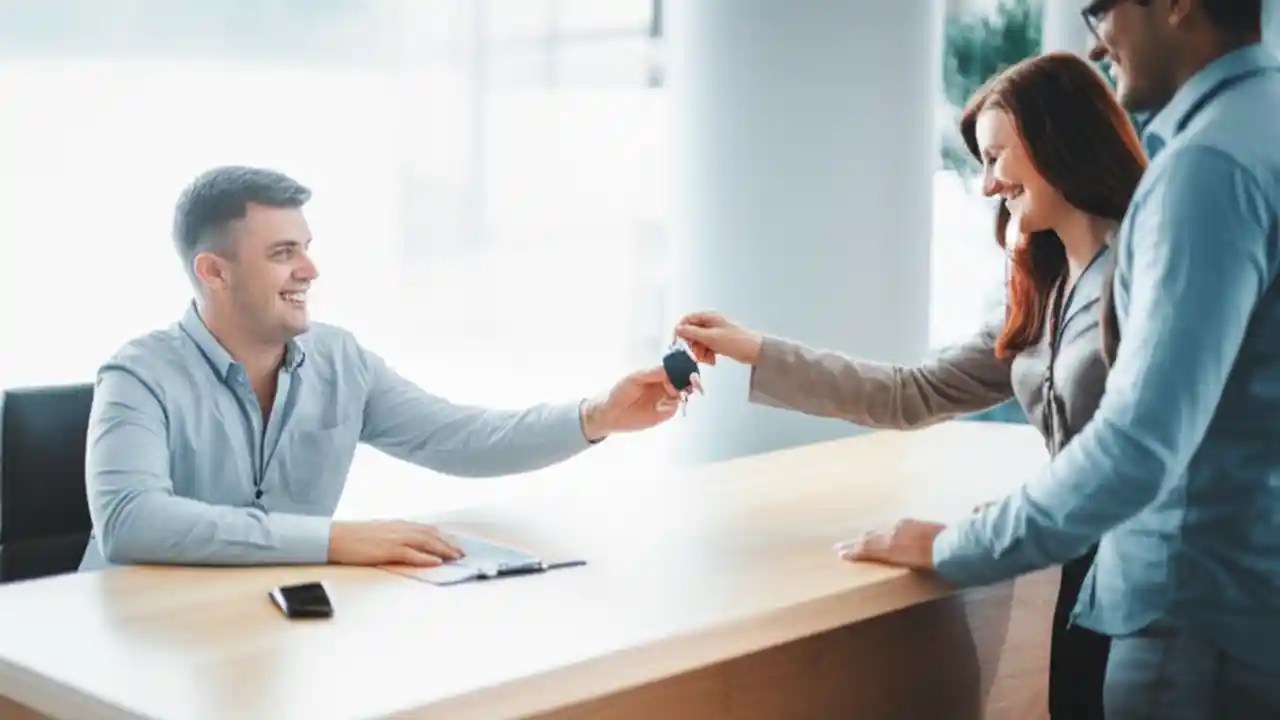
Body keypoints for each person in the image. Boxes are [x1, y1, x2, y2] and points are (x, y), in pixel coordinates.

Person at [836, 1, 1280, 717]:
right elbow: (916, 386)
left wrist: (960, 544)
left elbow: (1138, 443)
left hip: (1190, 624)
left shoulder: (1206, 167)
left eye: (1102, 8)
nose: (1097, 41)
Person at [674, 52, 1144, 720]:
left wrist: (969, 534)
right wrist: (756, 351)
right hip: (1081, 577)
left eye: (997, 156)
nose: (987, 185)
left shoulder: (1143, 266)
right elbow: (911, 391)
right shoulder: (1042, 291)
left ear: (1056, 143)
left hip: (1161, 588)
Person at [82, 165, 683, 571]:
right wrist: (335, 540)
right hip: (134, 640)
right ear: (214, 272)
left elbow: (460, 439)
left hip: (266, 622)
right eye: (283, 253)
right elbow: (133, 522)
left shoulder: (339, 361)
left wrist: (594, 417)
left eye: (306, 247)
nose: (310, 270)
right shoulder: (139, 375)